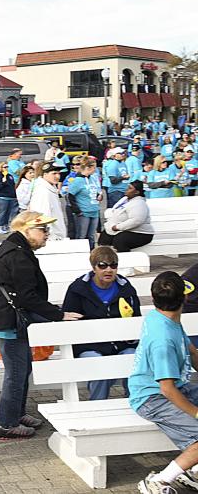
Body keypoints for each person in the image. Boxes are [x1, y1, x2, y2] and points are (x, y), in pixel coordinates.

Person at [0, 211, 82, 440]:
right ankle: (8, 424)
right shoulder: (18, 255)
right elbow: (26, 297)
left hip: (10, 318)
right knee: (16, 374)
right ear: (26, 230)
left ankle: (16, 414)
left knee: (22, 370)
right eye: (42, 230)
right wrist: (58, 314)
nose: (46, 234)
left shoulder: (16, 249)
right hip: (10, 320)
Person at [129, 272, 198, 494]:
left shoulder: (162, 317)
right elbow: (166, 388)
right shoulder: (163, 340)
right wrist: (196, 413)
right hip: (152, 398)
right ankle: (158, 481)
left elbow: (191, 350)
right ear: (184, 300)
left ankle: (193, 470)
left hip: (176, 388)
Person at [61, 247, 141, 400]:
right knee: (99, 366)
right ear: (94, 267)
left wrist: (130, 338)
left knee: (134, 358)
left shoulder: (126, 288)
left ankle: (136, 402)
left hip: (122, 345)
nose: (109, 270)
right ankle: (97, 404)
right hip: (90, 346)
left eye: (113, 265)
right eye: (103, 265)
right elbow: (69, 326)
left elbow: (136, 319)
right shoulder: (77, 289)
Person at [98, 180, 154, 252]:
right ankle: (105, 259)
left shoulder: (139, 203)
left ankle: (125, 261)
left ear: (137, 192)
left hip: (140, 233)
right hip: (122, 230)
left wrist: (117, 227)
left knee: (119, 240)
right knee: (104, 238)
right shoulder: (125, 199)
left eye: (130, 188)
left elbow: (136, 220)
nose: (126, 189)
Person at [67, 157, 101, 249]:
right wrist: (77, 210)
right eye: (94, 167)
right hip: (84, 212)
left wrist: (98, 195)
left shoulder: (92, 178)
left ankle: (92, 252)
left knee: (91, 236)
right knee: (82, 236)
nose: (95, 170)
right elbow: (70, 195)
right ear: (88, 168)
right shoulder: (78, 180)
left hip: (94, 210)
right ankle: (80, 253)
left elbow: (93, 190)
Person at [29, 161, 68, 240]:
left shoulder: (50, 188)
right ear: (45, 175)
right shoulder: (43, 191)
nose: (57, 176)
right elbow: (43, 216)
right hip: (51, 238)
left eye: (58, 173)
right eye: (54, 173)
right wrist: (50, 237)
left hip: (57, 235)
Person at [0, 161, 18, 235]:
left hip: (11, 196)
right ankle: (0, 226)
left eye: (7, 167)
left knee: (8, 212)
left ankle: (6, 225)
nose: (6, 168)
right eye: (5, 167)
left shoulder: (9, 176)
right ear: (1, 168)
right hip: (2, 197)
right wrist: (3, 182)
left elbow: (12, 186)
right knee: (3, 212)